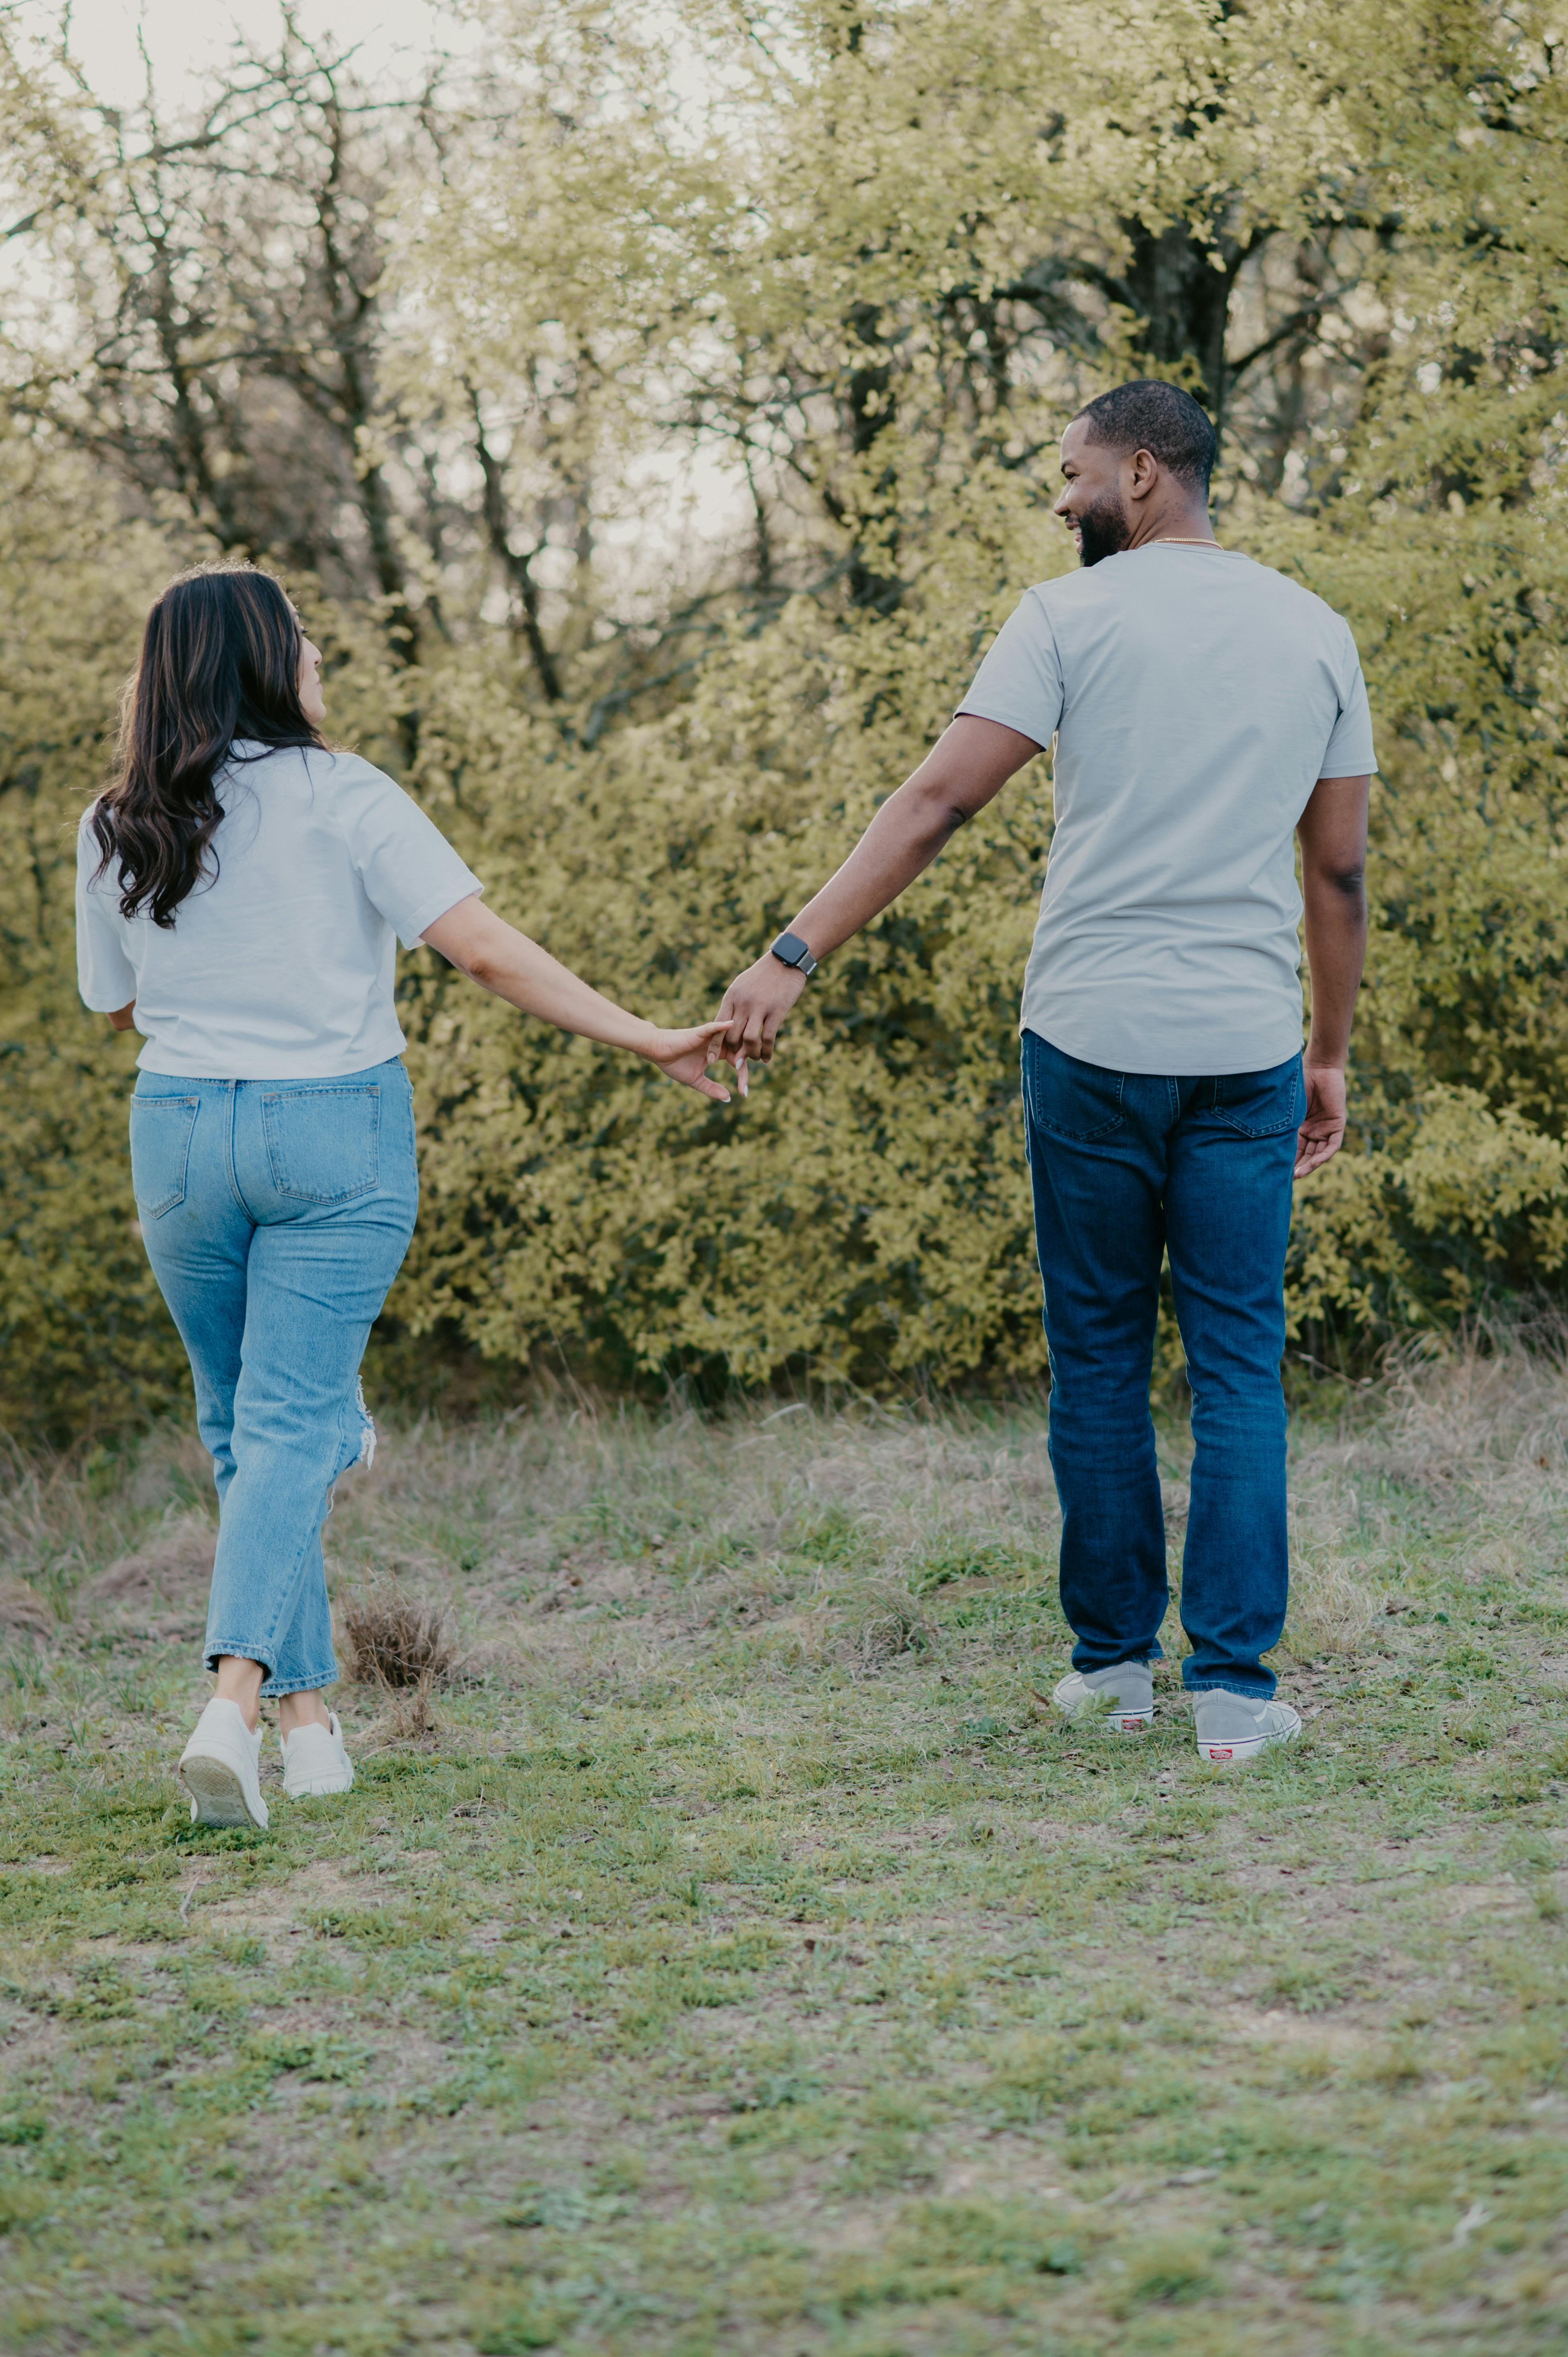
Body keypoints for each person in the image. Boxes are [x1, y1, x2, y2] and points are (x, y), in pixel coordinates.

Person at [717, 379, 1375, 1764]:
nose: (1060, 497)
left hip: (1085, 1042)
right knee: (1239, 1367)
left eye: (1071, 473)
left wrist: (794, 950)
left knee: (1097, 1360)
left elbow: (938, 800)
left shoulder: (1064, 619)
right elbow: (1339, 870)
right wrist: (1327, 1053)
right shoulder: (1314, 631)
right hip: (1245, 1050)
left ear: (1143, 473)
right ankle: (1236, 1699)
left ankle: (1116, 1670)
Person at [77, 563, 732, 1830]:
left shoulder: (117, 821)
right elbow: (482, 949)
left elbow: (118, 1003)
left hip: (177, 1133)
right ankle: (231, 1703)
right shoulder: (346, 797)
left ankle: (311, 1731)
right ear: (267, 663)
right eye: (307, 644)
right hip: (330, 1128)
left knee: (247, 1430)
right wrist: (647, 1035)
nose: (320, 663)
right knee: (294, 1430)